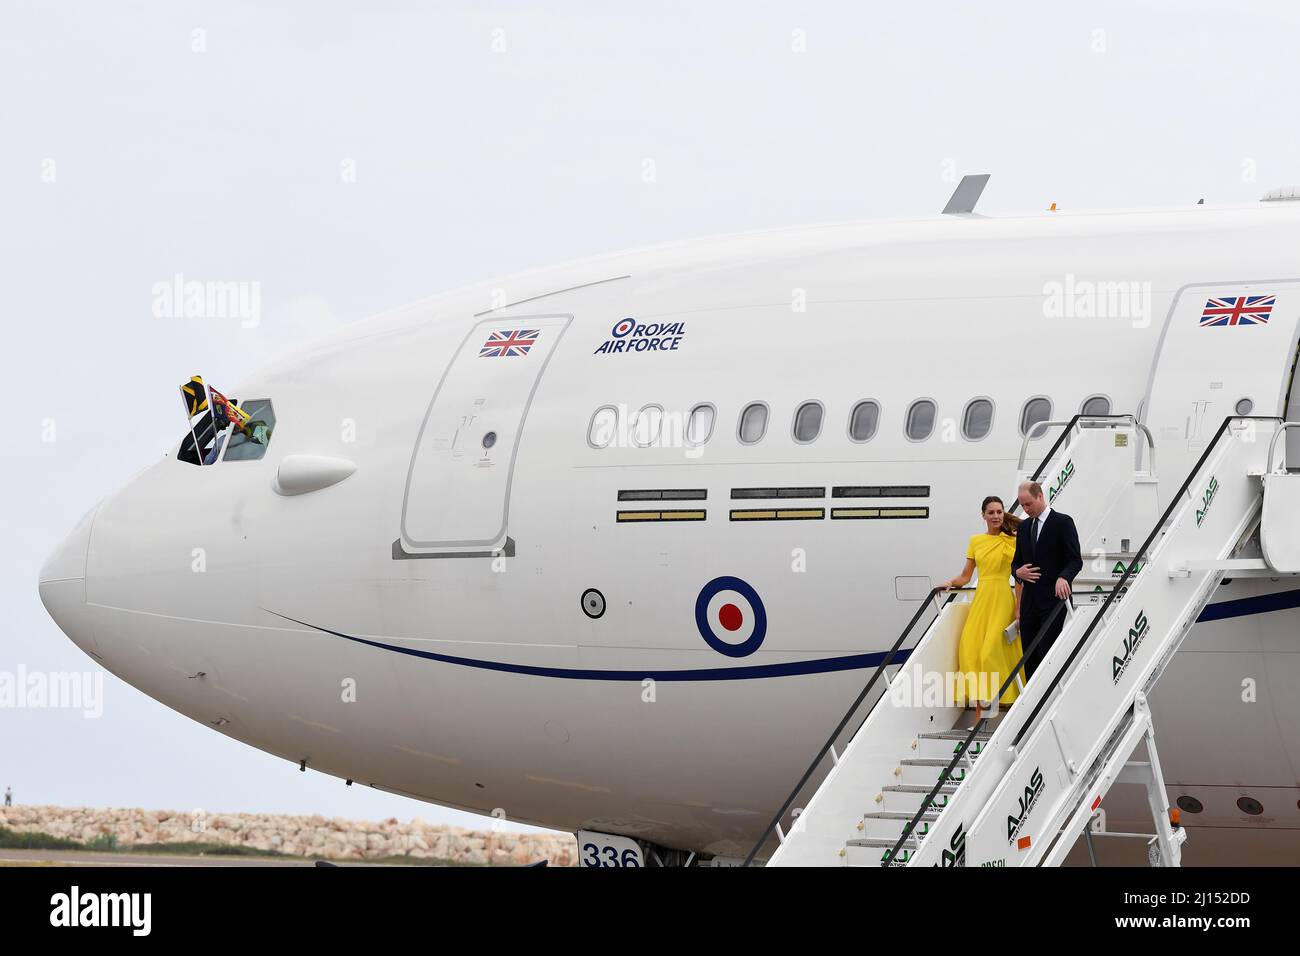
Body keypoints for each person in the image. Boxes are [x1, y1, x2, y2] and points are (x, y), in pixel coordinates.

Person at [941, 496, 1024, 720]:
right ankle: (979, 718)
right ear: (983, 515)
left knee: (990, 653)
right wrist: (949, 583)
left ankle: (1008, 708)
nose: (996, 516)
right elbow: (966, 577)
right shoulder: (976, 541)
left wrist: (1018, 607)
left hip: (1002, 599)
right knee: (970, 654)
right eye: (991, 512)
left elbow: (1019, 579)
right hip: (982, 600)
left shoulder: (1013, 540)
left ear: (1004, 513)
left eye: (999, 512)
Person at [1012, 480, 1083, 680]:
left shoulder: (1063, 522)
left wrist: (1063, 577)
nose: (1025, 509)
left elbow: (1075, 560)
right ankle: (1032, 704)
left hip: (1053, 601)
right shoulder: (1024, 527)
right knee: (1029, 657)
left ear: (1040, 496)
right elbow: (1015, 563)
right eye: (1022, 505)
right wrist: (1019, 573)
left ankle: (1047, 699)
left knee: (1047, 653)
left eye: (1029, 504)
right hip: (1029, 604)